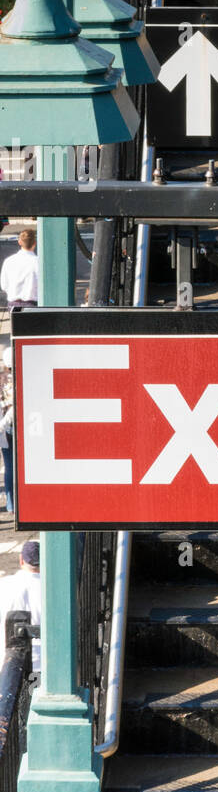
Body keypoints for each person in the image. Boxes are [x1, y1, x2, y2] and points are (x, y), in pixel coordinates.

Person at [0, 540, 41, 673]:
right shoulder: (53, 589)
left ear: (21, 560)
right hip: (44, 664)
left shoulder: (5, 585)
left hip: (9, 664)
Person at [0, 228, 38, 307]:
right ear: (35, 243)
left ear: (19, 242)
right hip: (33, 304)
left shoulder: (9, 261)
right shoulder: (38, 262)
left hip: (13, 304)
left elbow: (4, 285)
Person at [0, 348, 13, 516]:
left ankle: (11, 505)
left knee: (9, 466)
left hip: (7, 431)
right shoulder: (13, 382)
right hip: (13, 430)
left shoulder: (6, 383)